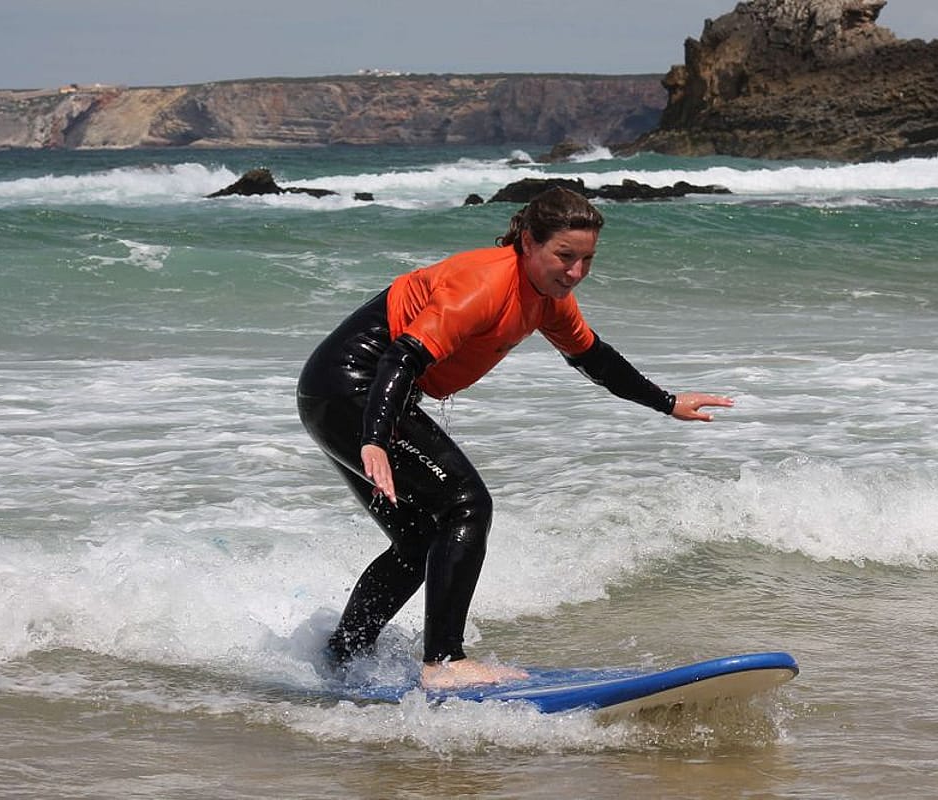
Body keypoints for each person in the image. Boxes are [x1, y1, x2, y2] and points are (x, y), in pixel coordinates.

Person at [297, 186, 732, 689]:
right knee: (465, 505)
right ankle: (444, 663)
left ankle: (342, 656)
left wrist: (667, 401)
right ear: (528, 242)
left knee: (418, 540)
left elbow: (594, 358)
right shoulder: (484, 284)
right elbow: (403, 357)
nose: (576, 272)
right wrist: (374, 438)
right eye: (565, 256)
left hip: (350, 396)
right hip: (352, 391)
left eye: (587, 260)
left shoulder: (548, 298)